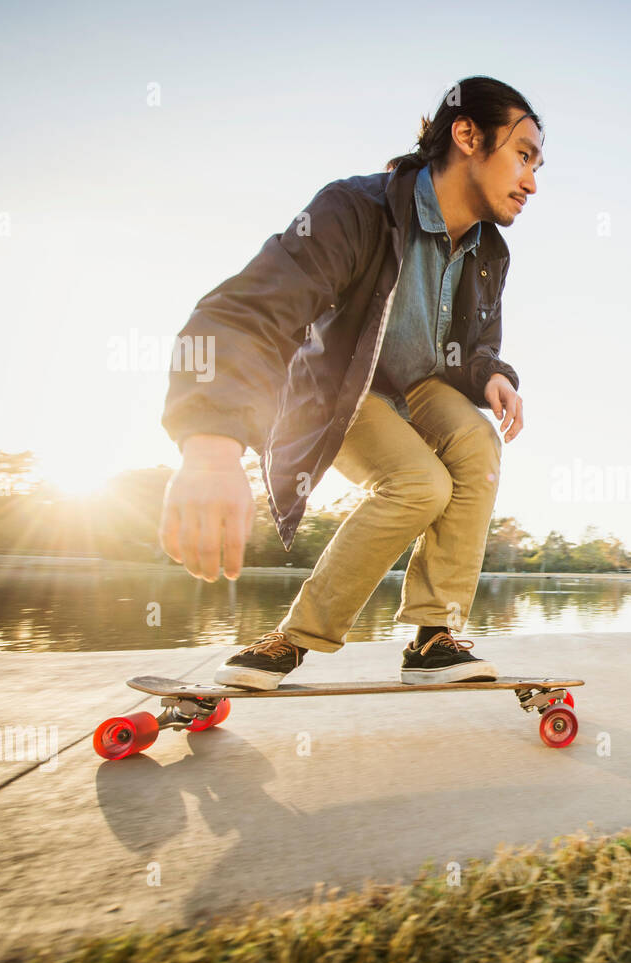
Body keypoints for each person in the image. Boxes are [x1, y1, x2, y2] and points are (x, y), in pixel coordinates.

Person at [157, 76, 544, 690]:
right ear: (467, 135)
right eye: (523, 156)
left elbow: (476, 345)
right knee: (420, 484)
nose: (531, 182)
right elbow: (248, 312)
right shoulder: (354, 210)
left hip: (421, 389)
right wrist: (209, 442)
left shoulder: (490, 252)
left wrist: (493, 373)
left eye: (536, 166)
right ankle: (293, 638)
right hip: (345, 388)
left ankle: (433, 639)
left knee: (477, 440)